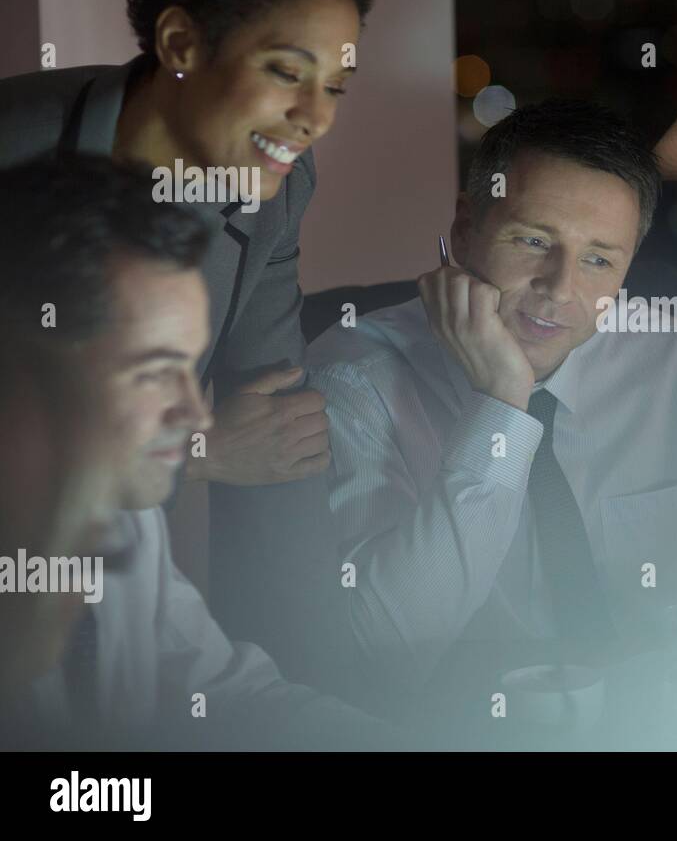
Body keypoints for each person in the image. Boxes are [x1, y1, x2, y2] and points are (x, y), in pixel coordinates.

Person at [0, 0, 389, 683]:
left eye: (336, 87)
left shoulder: (274, 187)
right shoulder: (12, 151)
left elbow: (276, 434)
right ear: (180, 42)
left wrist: (312, 691)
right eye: (288, 71)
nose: (317, 117)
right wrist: (197, 455)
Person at [309, 99, 677, 699]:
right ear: (465, 230)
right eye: (532, 241)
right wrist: (502, 403)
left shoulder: (669, 357)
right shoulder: (354, 376)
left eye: (599, 260)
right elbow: (384, 650)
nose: (560, 289)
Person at [0, 158, 395, 749]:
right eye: (154, 372)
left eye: (190, 368)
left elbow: (217, 691)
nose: (196, 416)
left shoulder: (122, 516)